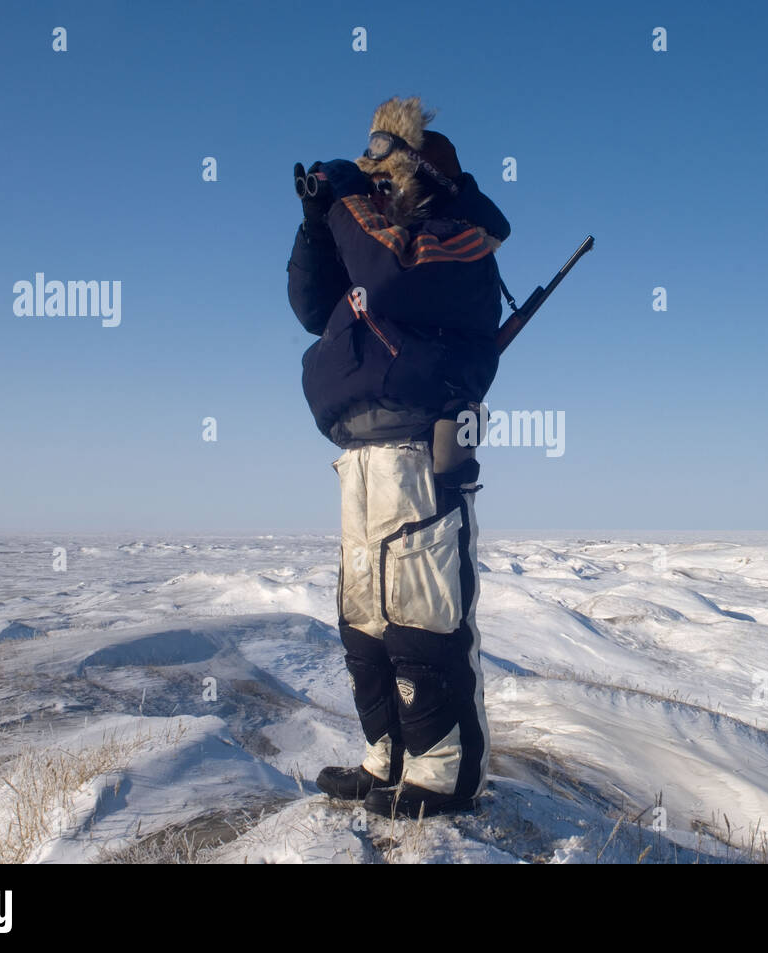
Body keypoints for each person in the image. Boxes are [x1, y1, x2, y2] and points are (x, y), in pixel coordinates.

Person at [286, 96, 511, 818]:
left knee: (423, 615)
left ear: (420, 173)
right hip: (358, 449)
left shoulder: (456, 236)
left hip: (421, 442)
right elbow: (308, 303)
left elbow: (392, 275)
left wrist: (348, 198)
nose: (373, 183)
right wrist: (316, 222)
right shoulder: (376, 240)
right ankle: (386, 762)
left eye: (383, 172)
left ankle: (443, 777)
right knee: (366, 618)